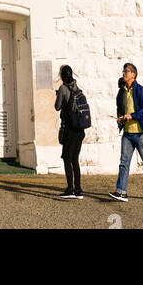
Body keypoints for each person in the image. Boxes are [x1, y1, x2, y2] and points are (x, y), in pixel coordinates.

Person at [109, 62, 143, 202]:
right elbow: (120, 108)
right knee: (124, 163)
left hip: (140, 133)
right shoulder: (121, 91)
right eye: (123, 71)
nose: (123, 73)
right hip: (127, 133)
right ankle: (121, 192)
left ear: (133, 74)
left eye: (126, 71)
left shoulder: (140, 90)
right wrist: (121, 118)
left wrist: (132, 116)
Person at [55, 64, 85, 199]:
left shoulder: (63, 88)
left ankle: (70, 189)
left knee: (67, 158)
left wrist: (58, 95)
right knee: (75, 160)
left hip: (69, 129)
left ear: (62, 75)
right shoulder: (77, 88)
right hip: (80, 129)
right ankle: (78, 189)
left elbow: (57, 106)